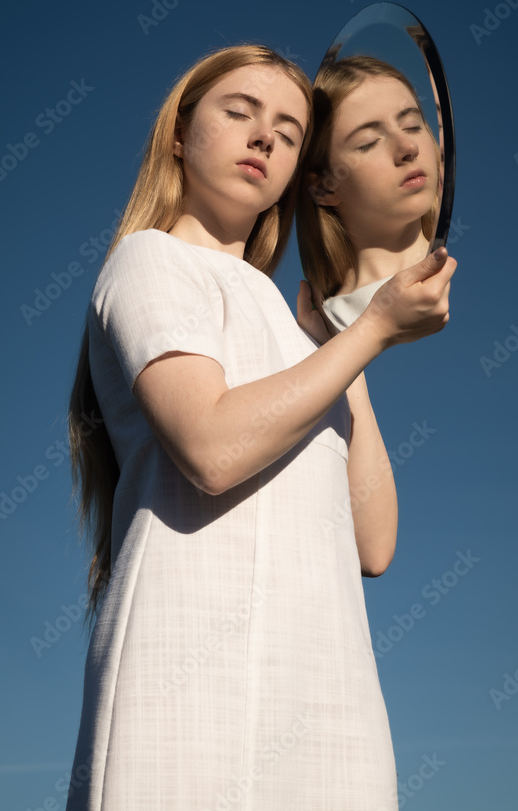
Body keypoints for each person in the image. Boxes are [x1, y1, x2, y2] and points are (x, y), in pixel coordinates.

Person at [65, 44, 456, 810]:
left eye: (287, 128)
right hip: (184, 689)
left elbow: (373, 543)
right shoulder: (150, 261)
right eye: (239, 113)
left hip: (326, 695)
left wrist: (345, 346)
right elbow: (211, 448)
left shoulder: (299, 325)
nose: (263, 137)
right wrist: (370, 331)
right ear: (179, 134)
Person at [297, 54, 442, 331]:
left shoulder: (494, 258)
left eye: (412, 126)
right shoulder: (327, 329)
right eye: (368, 143)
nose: (408, 147)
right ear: (324, 186)